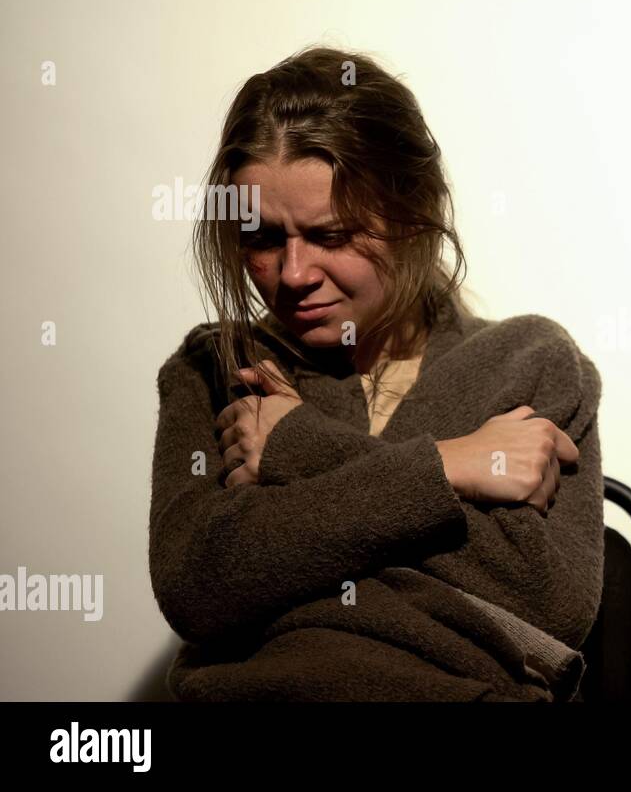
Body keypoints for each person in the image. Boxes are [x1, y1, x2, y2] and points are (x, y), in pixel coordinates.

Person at [148, 46, 604, 701]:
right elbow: (200, 585)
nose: (295, 273)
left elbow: (547, 605)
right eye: (263, 238)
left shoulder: (528, 362)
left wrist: (297, 452)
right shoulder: (218, 368)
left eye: (330, 234)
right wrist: (452, 466)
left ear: (413, 211)